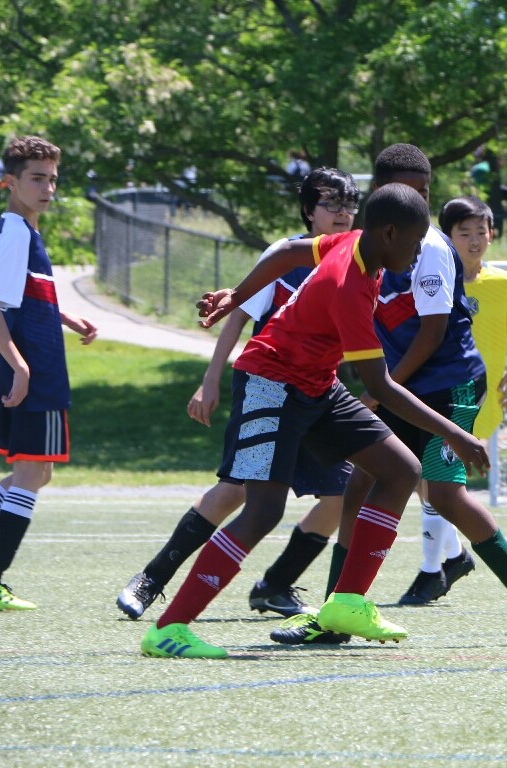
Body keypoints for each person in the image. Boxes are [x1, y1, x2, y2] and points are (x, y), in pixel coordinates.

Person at [139, 183, 489, 658]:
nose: (416, 254)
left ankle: (345, 603)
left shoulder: (353, 244)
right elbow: (382, 387)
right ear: (387, 234)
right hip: (269, 383)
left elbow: (286, 252)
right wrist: (455, 434)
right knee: (263, 510)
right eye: (412, 244)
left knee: (400, 470)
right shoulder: (350, 285)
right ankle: (169, 628)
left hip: (316, 385)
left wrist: (236, 294)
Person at [272, 145, 507, 648]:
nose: (420, 202)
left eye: (425, 193)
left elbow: (433, 331)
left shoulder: (434, 248)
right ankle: (338, 611)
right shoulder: (366, 242)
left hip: (450, 382)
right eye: (410, 192)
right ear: (381, 193)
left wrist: (381, 386)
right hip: (400, 383)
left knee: (444, 494)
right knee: (359, 484)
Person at [116, 167, 362, 622]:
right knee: (233, 492)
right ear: (309, 211)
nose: (343, 213)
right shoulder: (285, 256)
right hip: (270, 390)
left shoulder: (358, 258)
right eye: (331, 204)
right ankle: (152, 579)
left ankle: (275, 585)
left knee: (342, 494)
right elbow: (236, 315)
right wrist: (209, 379)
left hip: (319, 393)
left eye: (349, 205)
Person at [0, 136, 98, 611]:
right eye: (37, 178)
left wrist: (66, 316)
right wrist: (19, 365)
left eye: (53, 179)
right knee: (34, 472)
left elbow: (17, 297)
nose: (48, 188)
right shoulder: (16, 231)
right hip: (33, 374)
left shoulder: (15, 231)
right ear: (10, 181)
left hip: (27, 369)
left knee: (32, 473)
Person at [397, 195, 507, 606]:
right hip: (437, 393)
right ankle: (454, 557)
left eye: (482, 232)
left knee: (435, 484)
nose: (475, 241)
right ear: (446, 236)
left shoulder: (503, 282)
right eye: (464, 233)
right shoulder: (432, 278)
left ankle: (431, 572)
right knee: (427, 484)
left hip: (472, 396)